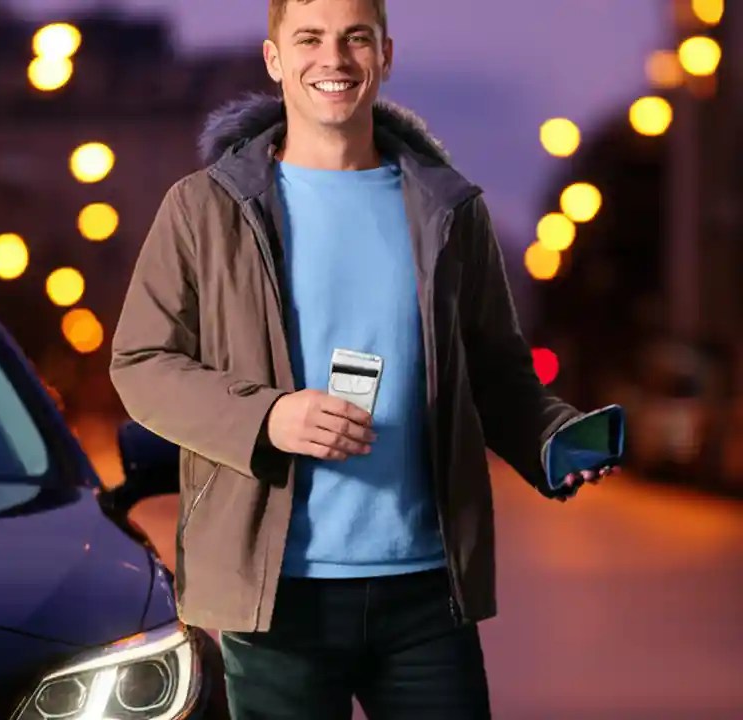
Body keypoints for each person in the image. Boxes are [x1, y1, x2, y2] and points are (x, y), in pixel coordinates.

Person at [108, 0, 620, 718]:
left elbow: (499, 371)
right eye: (310, 38)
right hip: (275, 594)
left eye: (356, 39)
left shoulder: (448, 209)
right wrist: (269, 417)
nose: (335, 59)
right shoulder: (206, 208)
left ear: (384, 55)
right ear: (275, 59)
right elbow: (141, 360)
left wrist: (554, 439)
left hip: (426, 593)